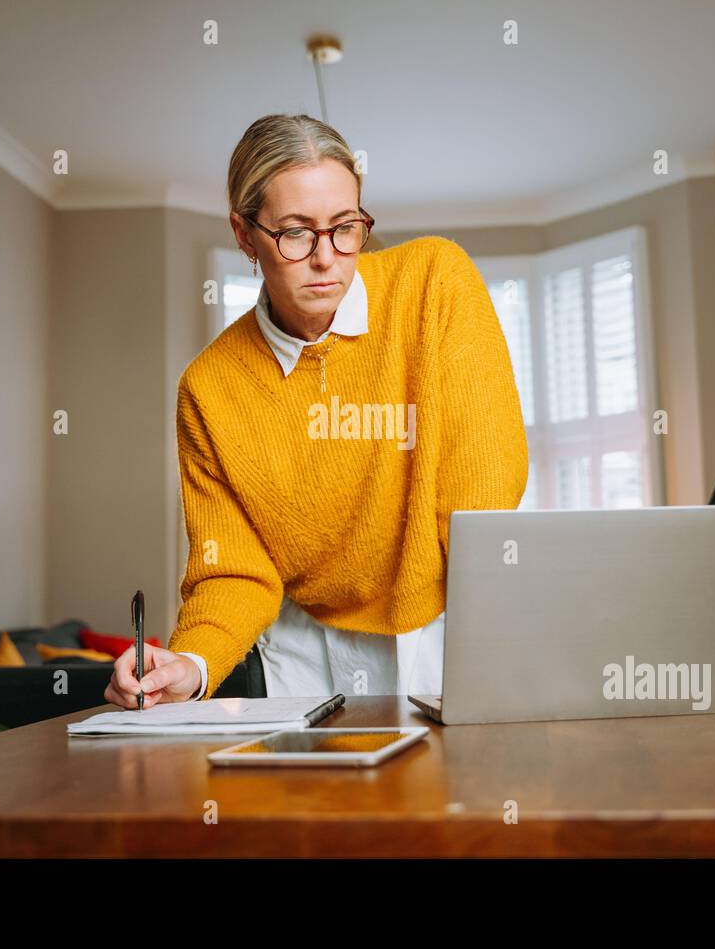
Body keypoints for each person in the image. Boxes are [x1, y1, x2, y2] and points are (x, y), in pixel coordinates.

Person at [105, 113, 527, 709]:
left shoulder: (435, 281)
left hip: (445, 619)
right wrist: (191, 663)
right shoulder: (210, 388)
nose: (327, 258)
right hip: (305, 656)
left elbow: (484, 483)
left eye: (344, 227)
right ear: (245, 234)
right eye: (296, 233)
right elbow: (233, 570)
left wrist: (473, 621)